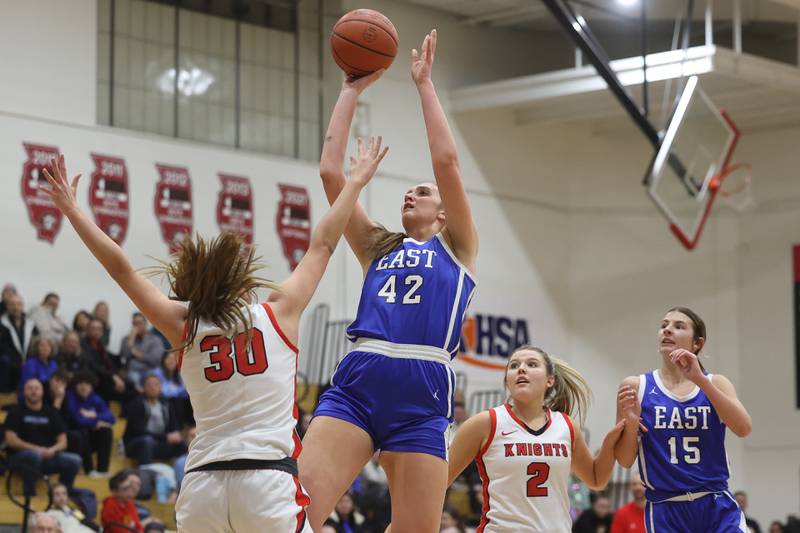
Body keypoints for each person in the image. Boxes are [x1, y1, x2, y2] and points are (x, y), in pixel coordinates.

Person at [42, 141, 386, 533]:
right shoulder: (278, 312)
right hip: (265, 483)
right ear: (243, 286)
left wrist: (72, 210)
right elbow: (323, 242)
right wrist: (355, 182)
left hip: (202, 486)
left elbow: (122, 269)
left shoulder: (185, 324)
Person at [301, 29, 480, 533]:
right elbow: (332, 173)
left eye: (421, 193)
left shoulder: (457, 248)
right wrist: (350, 90)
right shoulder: (378, 246)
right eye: (408, 191)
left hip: (423, 391)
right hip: (360, 376)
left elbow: (446, 163)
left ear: (444, 213)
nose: (410, 196)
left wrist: (424, 84)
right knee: (295, 515)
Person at [441, 346, 626, 533]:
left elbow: (597, 480)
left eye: (531, 364)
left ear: (549, 380)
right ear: (507, 382)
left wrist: (609, 444)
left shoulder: (566, 425)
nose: (521, 369)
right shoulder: (485, 423)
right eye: (514, 366)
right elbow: (440, 481)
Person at [615, 307, 753, 533]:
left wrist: (700, 380)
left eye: (678, 327)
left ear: (697, 343)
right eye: (664, 326)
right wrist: (631, 423)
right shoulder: (636, 386)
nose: (667, 330)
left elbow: (744, 428)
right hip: (666, 508)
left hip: (715, 502)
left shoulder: (715, 383)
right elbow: (624, 459)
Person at [3, 378, 82, 496]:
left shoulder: (50, 412)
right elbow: (11, 440)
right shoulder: (15, 412)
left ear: (42, 392)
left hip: (46, 457)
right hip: (19, 458)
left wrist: (52, 450)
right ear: (24, 392)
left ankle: (61, 496)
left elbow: (63, 441)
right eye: (30, 388)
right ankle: (29, 496)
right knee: (33, 456)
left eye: (37, 388)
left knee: (74, 460)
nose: (33, 391)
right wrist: (37, 449)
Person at [122, 374, 185, 466]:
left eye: (156, 385)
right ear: (143, 388)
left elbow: (174, 425)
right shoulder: (137, 404)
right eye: (149, 385)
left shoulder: (166, 404)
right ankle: (146, 472)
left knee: (181, 444)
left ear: (160, 388)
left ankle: (182, 475)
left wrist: (176, 434)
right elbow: (139, 431)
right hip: (136, 443)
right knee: (147, 441)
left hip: (159, 442)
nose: (153, 388)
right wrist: (165, 437)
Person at [67, 371, 115, 477]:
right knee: (82, 430)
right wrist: (95, 422)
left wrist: (95, 415)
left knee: (106, 431)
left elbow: (111, 418)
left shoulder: (95, 398)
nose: (84, 387)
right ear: (75, 386)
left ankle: (103, 470)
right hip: (74, 439)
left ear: (92, 386)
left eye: (87, 384)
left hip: (91, 439)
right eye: (80, 384)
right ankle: (89, 470)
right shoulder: (70, 397)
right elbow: (76, 420)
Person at [0, 293, 38, 392]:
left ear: (22, 306)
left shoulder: (31, 324)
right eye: (12, 304)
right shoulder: (2, 324)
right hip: (8, 365)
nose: (15, 307)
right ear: (7, 306)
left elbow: (37, 344)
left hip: (28, 362)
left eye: (18, 304)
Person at [120, 312, 165, 387]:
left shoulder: (155, 340)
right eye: (135, 324)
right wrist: (131, 339)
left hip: (150, 371)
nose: (137, 326)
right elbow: (124, 356)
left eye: (140, 323)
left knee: (155, 378)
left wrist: (136, 353)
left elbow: (155, 360)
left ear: (146, 323)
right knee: (132, 378)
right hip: (132, 371)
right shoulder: (127, 339)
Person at [19, 336, 59, 402]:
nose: (45, 348)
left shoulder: (53, 364)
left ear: (52, 349)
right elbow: (31, 384)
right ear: (37, 348)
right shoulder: (30, 363)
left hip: (48, 397)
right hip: (32, 397)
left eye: (48, 346)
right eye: (42, 345)